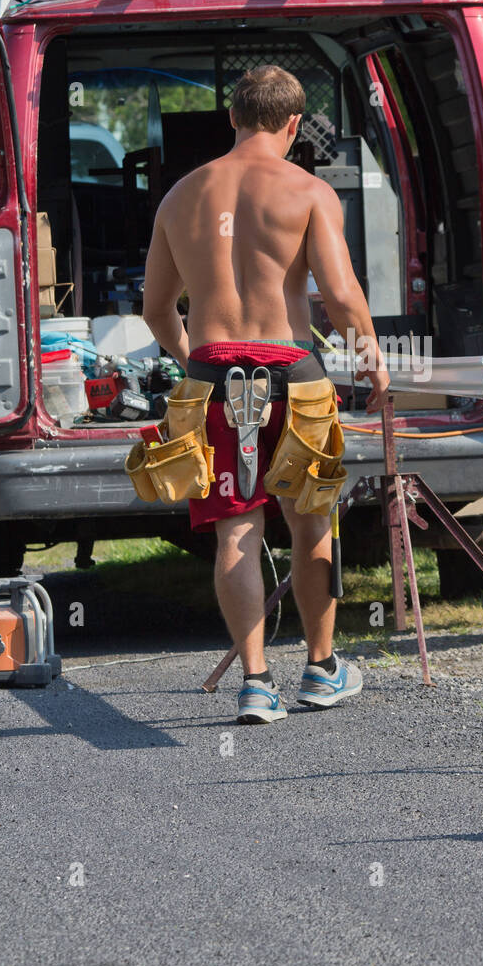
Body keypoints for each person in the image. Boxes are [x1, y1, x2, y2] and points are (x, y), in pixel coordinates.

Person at [142, 65, 390, 724]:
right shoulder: (307, 192)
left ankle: (255, 682)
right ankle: (320, 668)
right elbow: (339, 296)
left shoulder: (182, 195)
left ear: (232, 118)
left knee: (235, 531)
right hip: (294, 375)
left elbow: (157, 308)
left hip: (213, 378)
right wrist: (371, 362)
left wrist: (195, 361)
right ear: (291, 125)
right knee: (311, 522)